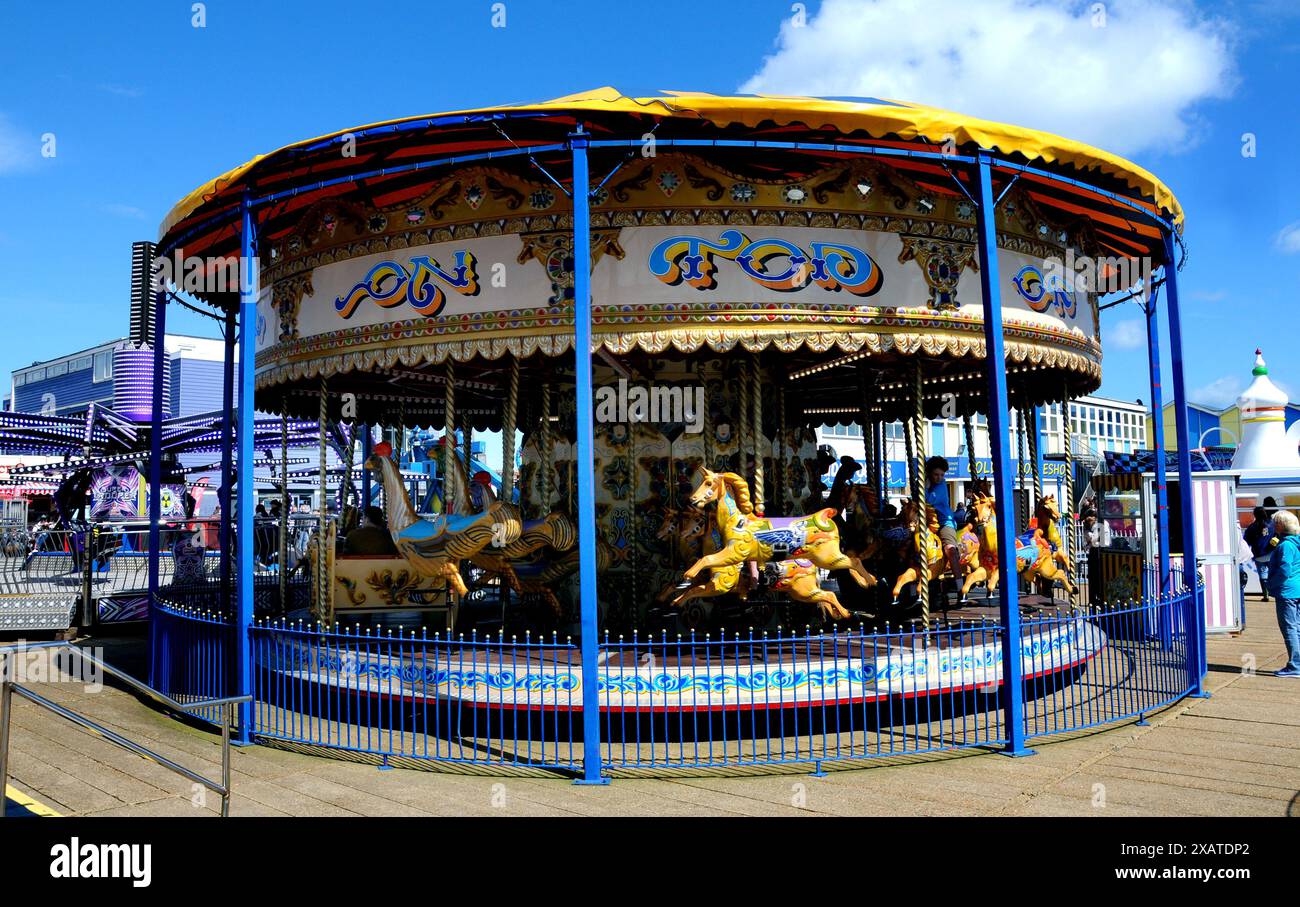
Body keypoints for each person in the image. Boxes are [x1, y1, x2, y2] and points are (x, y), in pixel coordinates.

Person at [1266, 510, 1300, 677]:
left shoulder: (1285, 545)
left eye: (1273, 523)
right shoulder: (1296, 542)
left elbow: (1284, 569)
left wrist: (1271, 584)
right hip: (1297, 589)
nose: (1271, 526)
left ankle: (1295, 666)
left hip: (1287, 592)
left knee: (1289, 629)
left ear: (1279, 525)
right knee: (1297, 628)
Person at [923, 456, 962, 580]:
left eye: (941, 474)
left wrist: (924, 486)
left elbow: (928, 500)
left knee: (950, 550)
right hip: (927, 521)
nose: (939, 478)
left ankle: (959, 585)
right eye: (936, 474)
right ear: (929, 473)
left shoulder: (941, 486)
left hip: (944, 521)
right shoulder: (930, 484)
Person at [1244, 507, 1275, 602]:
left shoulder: (1252, 527)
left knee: (1263, 575)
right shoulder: (1271, 524)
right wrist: (1272, 545)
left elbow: (1246, 541)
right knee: (1274, 573)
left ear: (1255, 515)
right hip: (1272, 554)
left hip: (1259, 555)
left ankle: (1266, 596)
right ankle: (1276, 593)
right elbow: (1277, 536)